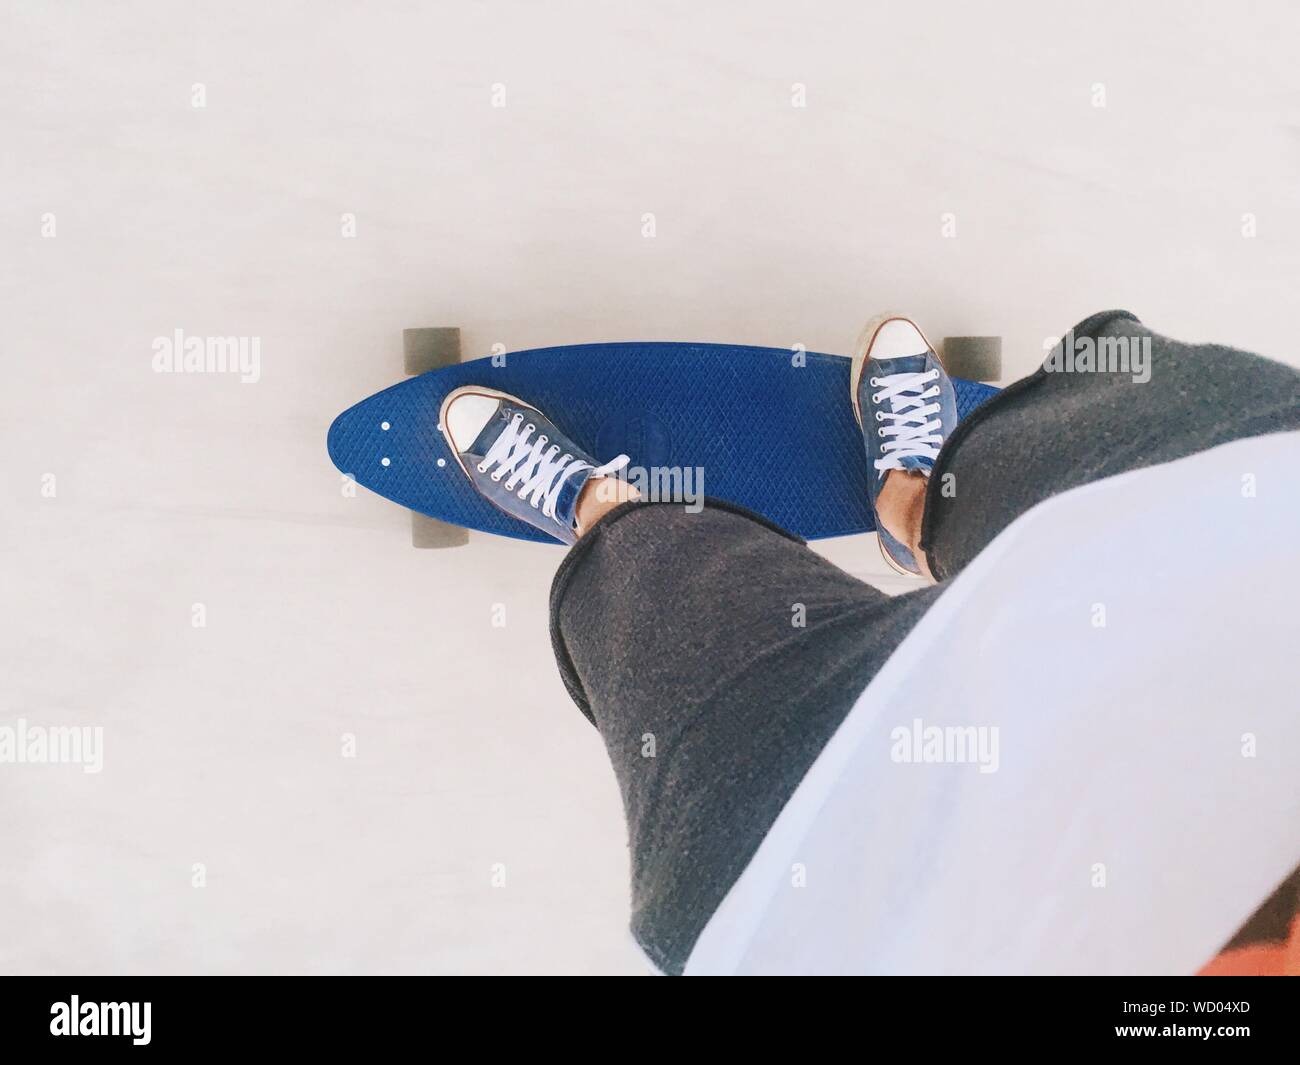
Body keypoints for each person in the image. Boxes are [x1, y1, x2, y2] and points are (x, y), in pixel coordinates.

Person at [439, 311, 1300, 975]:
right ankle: (918, 505)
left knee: (679, 617)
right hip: (1250, 616)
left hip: (930, 909)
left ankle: (604, 511)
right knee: (1115, 427)